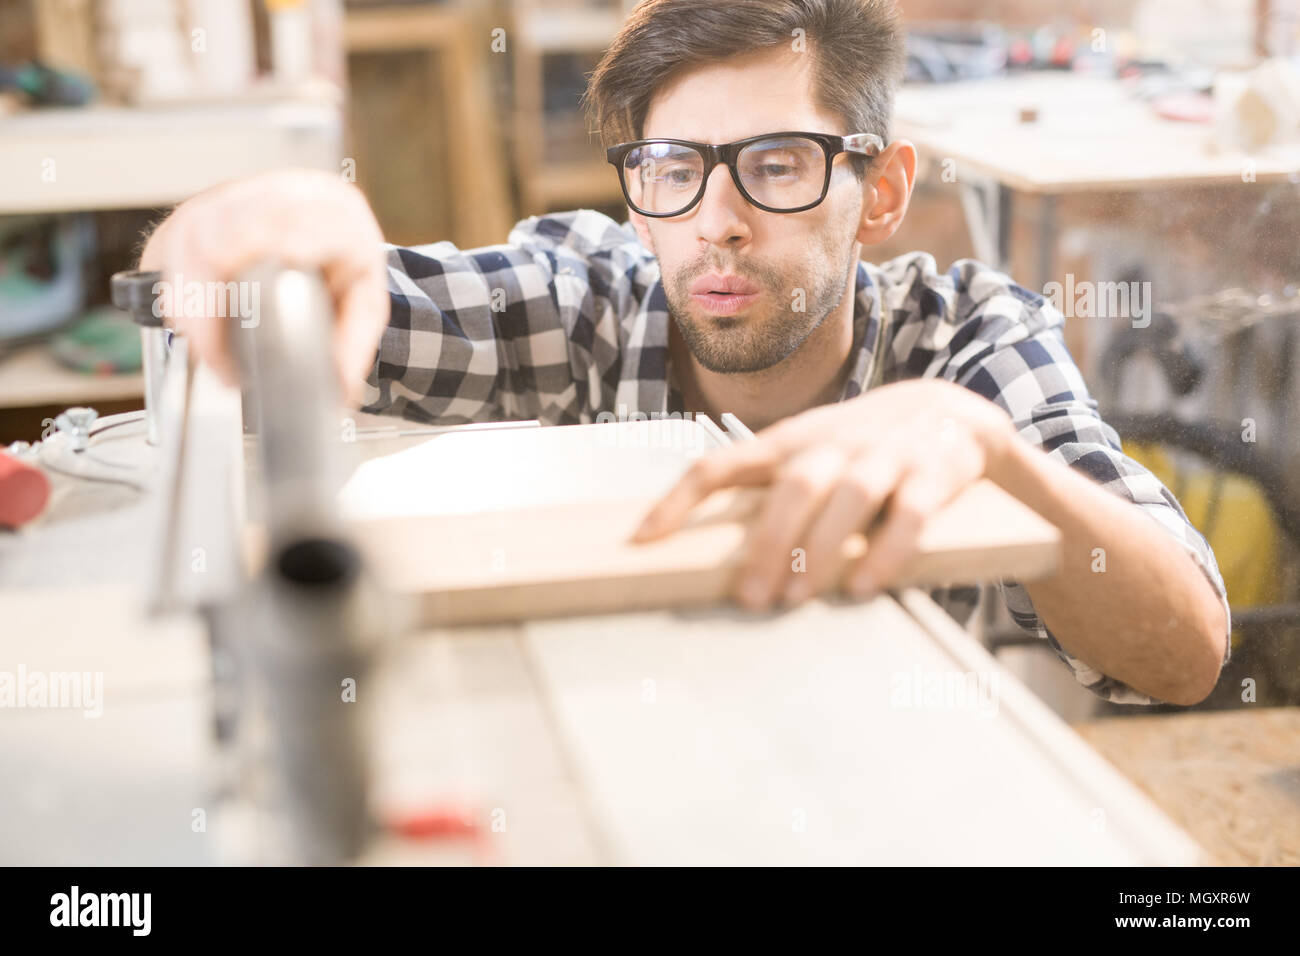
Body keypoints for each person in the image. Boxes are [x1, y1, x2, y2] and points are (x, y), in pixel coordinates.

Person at [138, 0, 1229, 706]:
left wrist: (989, 448)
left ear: (881, 189)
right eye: (670, 168)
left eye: (777, 162)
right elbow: (251, 289)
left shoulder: (967, 340)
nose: (716, 220)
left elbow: (1185, 653)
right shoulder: (582, 303)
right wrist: (256, 235)